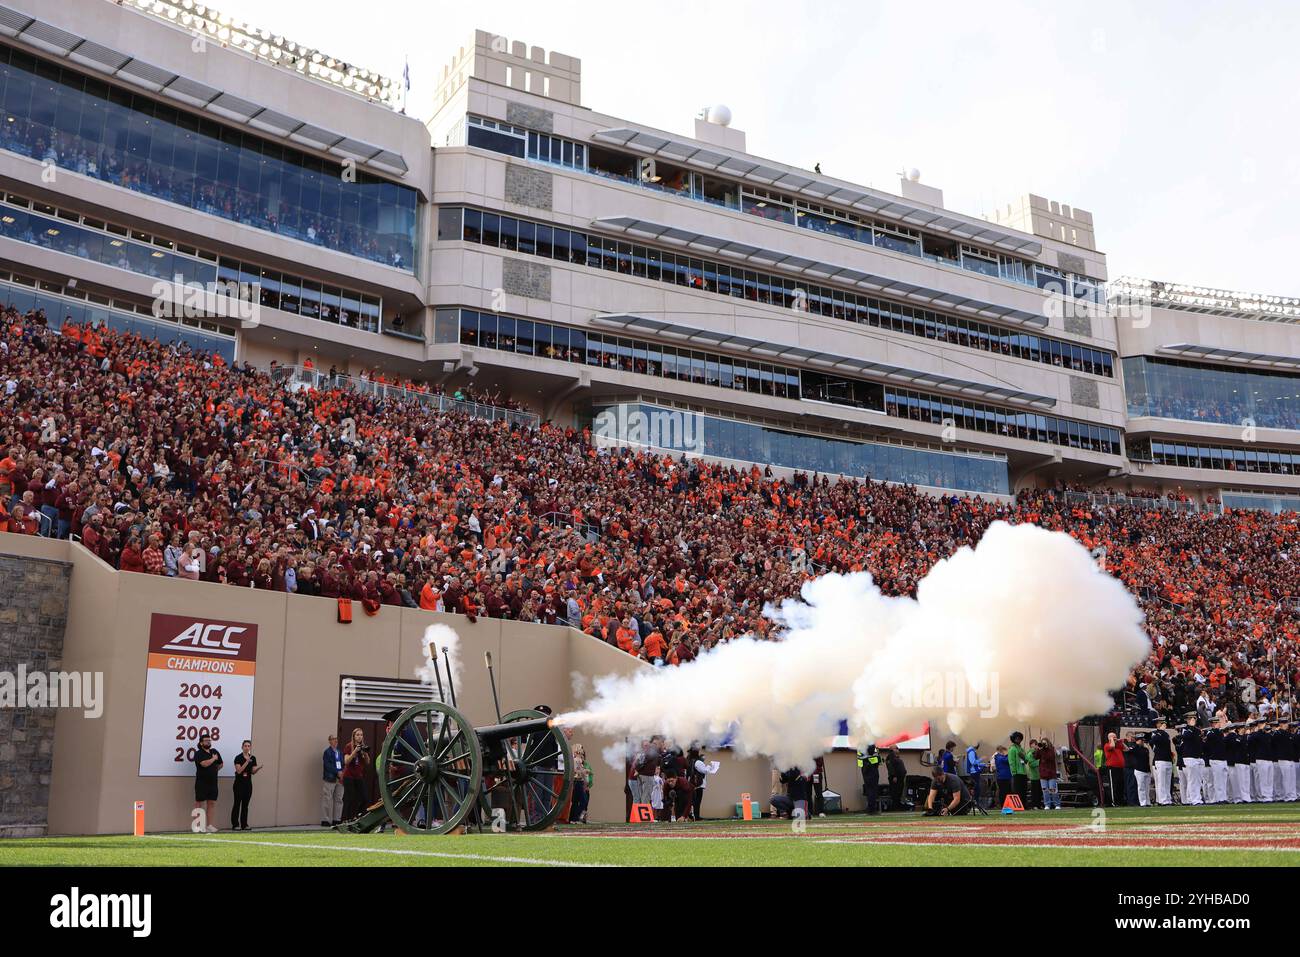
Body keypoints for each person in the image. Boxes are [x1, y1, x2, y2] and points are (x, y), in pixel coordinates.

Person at [192, 732, 222, 832]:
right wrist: (213, 759)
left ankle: (209, 825)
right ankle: (197, 826)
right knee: (199, 803)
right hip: (202, 782)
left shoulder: (214, 751)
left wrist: (214, 769)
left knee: (212, 803)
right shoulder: (198, 753)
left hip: (213, 782)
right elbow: (204, 764)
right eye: (206, 740)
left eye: (210, 740)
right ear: (201, 743)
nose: (208, 742)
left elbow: (221, 764)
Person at [341, 727, 370, 821]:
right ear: (353, 736)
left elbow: (368, 762)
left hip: (359, 776)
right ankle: (345, 820)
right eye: (357, 735)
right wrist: (354, 752)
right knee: (349, 799)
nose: (359, 737)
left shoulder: (363, 746)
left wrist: (365, 753)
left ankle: (357, 816)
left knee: (364, 798)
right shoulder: (349, 746)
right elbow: (346, 761)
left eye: (361, 735)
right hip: (349, 776)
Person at [230, 739, 260, 831]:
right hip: (239, 784)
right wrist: (247, 762)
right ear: (242, 747)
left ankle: (244, 824)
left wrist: (258, 768)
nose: (247, 747)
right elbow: (239, 771)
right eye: (245, 746)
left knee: (245, 805)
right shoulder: (238, 758)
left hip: (248, 784)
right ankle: (235, 824)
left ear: (250, 747)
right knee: (237, 804)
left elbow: (253, 771)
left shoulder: (253, 758)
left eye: (248, 746)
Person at [1178, 713, 1204, 805]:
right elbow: (1186, 737)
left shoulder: (1196, 730)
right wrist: (1191, 727)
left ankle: (1192, 798)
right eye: (1191, 719)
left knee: (1196, 780)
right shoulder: (1185, 729)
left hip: (1197, 756)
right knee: (1193, 780)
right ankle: (1195, 800)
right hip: (1189, 757)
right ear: (1187, 720)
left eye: (1194, 718)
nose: (1194, 720)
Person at [1150, 715, 1175, 806]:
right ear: (1157, 724)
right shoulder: (1155, 733)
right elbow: (1153, 742)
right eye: (1162, 723)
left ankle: (1168, 799)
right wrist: (1160, 731)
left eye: (1164, 723)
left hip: (1167, 759)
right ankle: (1162, 800)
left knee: (1167, 781)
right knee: (1161, 781)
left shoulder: (1166, 734)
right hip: (1159, 759)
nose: (1164, 724)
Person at [689, 745, 718, 821]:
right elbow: (704, 770)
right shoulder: (697, 761)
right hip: (698, 784)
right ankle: (696, 816)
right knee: (697, 801)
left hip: (692, 783)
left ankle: (693, 816)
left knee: (694, 801)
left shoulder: (689, 760)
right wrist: (709, 766)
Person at [322, 733, 344, 826]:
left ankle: (337, 819)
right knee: (327, 799)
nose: (336, 741)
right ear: (329, 741)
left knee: (339, 799)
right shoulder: (327, 752)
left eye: (336, 739)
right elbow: (327, 765)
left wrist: (342, 772)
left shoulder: (339, 752)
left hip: (339, 779)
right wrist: (337, 772)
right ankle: (325, 820)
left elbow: (343, 763)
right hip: (330, 778)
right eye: (333, 739)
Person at [569, 744, 593, 824]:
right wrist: (584, 771)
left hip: (577, 781)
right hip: (578, 781)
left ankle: (573, 818)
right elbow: (577, 770)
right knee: (583, 800)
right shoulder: (577, 760)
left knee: (575, 801)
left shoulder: (577, 759)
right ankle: (576, 817)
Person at [1036, 738, 1061, 810]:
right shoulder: (1041, 750)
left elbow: (1050, 757)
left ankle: (1057, 804)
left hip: (1051, 774)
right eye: (1042, 743)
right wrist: (1038, 749)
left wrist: (1045, 749)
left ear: (1048, 743)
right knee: (1045, 790)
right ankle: (1047, 804)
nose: (1043, 744)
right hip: (1043, 774)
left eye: (1044, 743)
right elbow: (1036, 757)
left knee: (1052, 789)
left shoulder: (1051, 749)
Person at [1102, 731, 1126, 806]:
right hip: (1112, 768)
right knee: (1113, 785)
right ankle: (1114, 802)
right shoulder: (1107, 745)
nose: (1115, 738)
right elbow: (1112, 746)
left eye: (1115, 736)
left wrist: (1120, 742)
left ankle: (1120, 801)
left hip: (1120, 768)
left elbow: (1126, 749)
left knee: (1120, 785)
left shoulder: (1118, 746)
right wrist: (1112, 739)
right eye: (1113, 737)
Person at [1129, 732, 1153, 807]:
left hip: (1147, 770)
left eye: (1142, 740)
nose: (1142, 741)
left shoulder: (1145, 749)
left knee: (1147, 787)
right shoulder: (1135, 748)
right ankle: (1143, 802)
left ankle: (1148, 802)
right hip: (1139, 770)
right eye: (1140, 740)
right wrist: (1136, 742)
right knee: (1141, 787)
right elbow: (1129, 750)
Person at [1008, 732, 1030, 809]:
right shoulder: (1012, 749)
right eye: (1017, 738)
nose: (1018, 740)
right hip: (1017, 773)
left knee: (1024, 790)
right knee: (1018, 790)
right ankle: (1018, 805)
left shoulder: (1022, 749)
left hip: (1023, 772)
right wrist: (1013, 772)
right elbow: (1011, 762)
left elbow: (1027, 760)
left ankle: (1024, 805)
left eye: (1020, 738)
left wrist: (1023, 756)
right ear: (1013, 739)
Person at [858, 743, 881, 814]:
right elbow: (871, 751)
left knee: (869, 789)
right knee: (872, 789)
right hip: (870, 766)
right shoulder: (868, 741)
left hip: (865, 766)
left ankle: (870, 807)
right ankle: (872, 809)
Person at [885, 746, 908, 812]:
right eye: (896, 748)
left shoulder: (895, 757)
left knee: (899, 792)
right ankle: (895, 807)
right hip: (896, 778)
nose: (898, 749)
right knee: (896, 793)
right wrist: (894, 776)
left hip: (900, 777)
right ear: (892, 750)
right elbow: (891, 767)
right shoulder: (891, 757)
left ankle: (898, 806)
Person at [964, 742, 985, 809]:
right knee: (976, 789)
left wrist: (983, 764)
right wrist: (981, 759)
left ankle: (976, 804)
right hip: (974, 772)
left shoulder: (971, 751)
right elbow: (973, 762)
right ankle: (976, 805)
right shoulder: (971, 751)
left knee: (976, 789)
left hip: (974, 772)